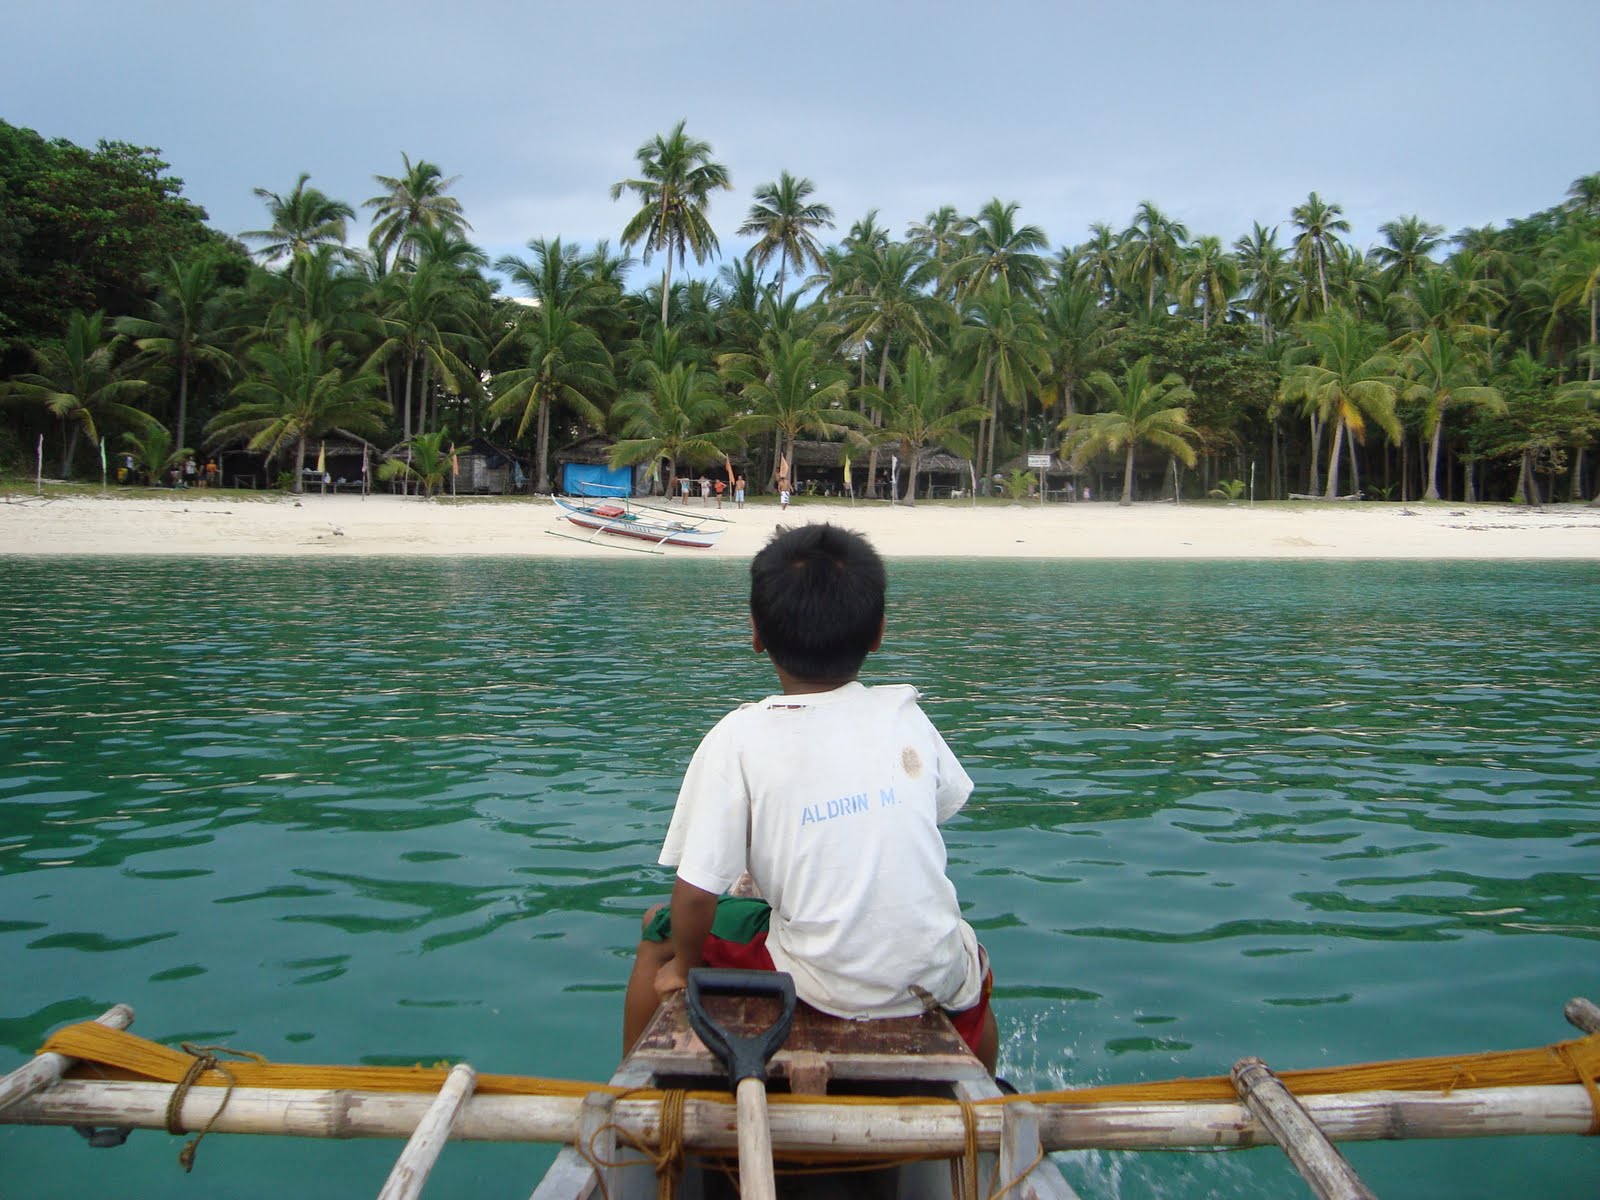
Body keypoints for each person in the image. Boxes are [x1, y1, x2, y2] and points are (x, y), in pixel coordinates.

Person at [622, 524, 998, 1072]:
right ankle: (987, 1095)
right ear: (879, 634)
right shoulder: (906, 715)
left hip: (827, 983)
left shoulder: (740, 735)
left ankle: (630, 1091)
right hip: (933, 974)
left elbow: (697, 895)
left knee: (659, 929)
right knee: (973, 960)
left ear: (756, 634)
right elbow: (933, 810)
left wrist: (682, 966)